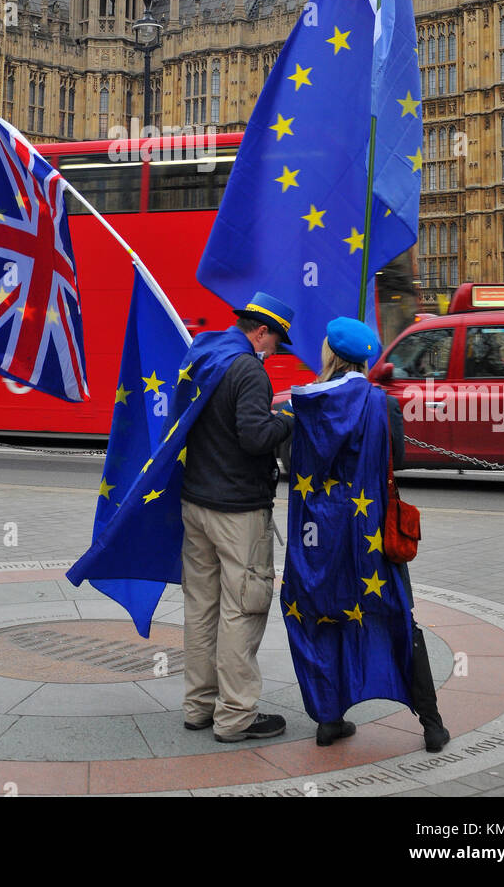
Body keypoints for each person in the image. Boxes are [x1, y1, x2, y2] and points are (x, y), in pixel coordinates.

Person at [292, 316, 450, 753]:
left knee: (325, 615)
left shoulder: (305, 403)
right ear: (363, 360)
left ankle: (330, 719)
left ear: (329, 354)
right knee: (397, 615)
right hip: (369, 532)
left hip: (320, 535)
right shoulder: (382, 404)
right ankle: (432, 725)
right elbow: (394, 459)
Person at [180, 291, 294, 743]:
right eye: (275, 342)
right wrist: (288, 418)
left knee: (201, 608)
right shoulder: (247, 368)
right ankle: (236, 717)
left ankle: (198, 706)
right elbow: (254, 436)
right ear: (260, 331)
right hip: (237, 511)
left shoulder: (204, 352)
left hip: (195, 503)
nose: (274, 351)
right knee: (242, 610)